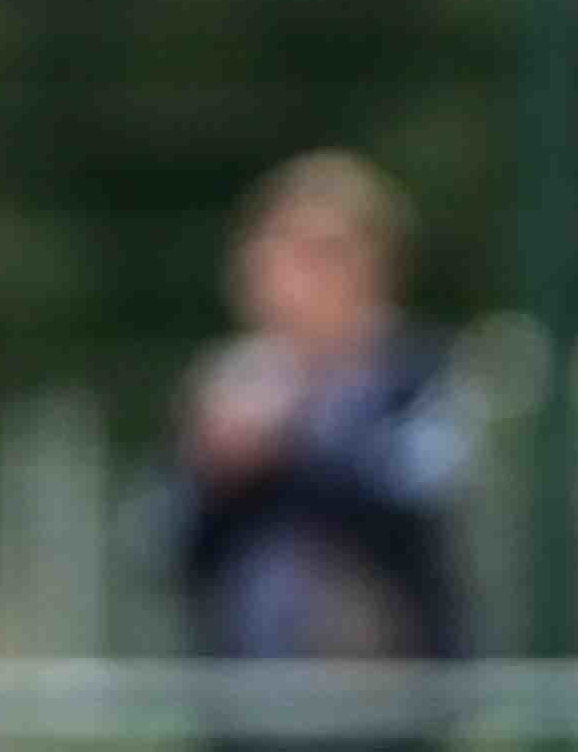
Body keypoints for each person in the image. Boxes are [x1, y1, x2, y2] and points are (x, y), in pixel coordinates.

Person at [169, 152, 470, 740]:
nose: (298, 278)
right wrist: (214, 474)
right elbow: (167, 537)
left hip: (387, 717)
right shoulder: (225, 387)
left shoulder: (417, 378)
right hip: (250, 718)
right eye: (280, 254)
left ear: (375, 266)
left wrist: (287, 445)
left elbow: (414, 502)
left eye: (324, 255)